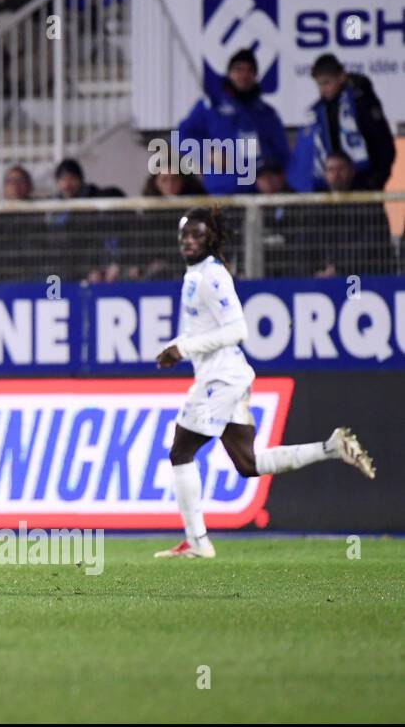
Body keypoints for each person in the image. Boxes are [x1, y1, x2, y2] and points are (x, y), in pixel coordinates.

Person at [152, 206, 375, 559]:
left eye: (197, 235)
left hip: (220, 379)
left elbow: (238, 329)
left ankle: (197, 543)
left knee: (180, 452)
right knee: (247, 464)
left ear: (210, 237)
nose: (189, 241)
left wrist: (184, 348)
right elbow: (205, 329)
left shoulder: (212, 276)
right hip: (226, 376)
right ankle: (331, 448)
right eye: (185, 235)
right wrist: (177, 345)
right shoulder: (197, 273)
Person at [176, 48, 289, 194]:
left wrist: (273, 175)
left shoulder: (266, 113)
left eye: (249, 70)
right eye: (238, 69)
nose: (244, 75)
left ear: (255, 76)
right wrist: (207, 154)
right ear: (229, 74)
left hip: (258, 195)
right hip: (221, 193)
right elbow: (180, 137)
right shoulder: (210, 106)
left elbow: (282, 154)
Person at [288, 53, 396, 191]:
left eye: (327, 82)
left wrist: (376, 180)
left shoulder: (361, 102)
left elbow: (383, 143)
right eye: (319, 84)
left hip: (363, 183)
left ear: (341, 77)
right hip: (330, 188)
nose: (323, 89)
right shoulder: (316, 113)